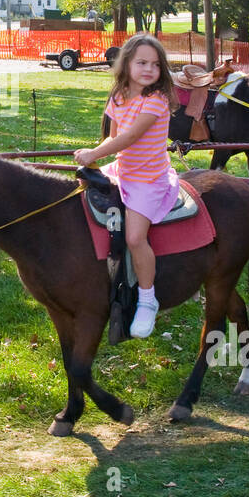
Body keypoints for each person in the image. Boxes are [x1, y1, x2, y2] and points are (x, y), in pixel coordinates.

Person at [73, 34, 181, 338]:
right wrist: (95, 154)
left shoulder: (156, 100)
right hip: (124, 170)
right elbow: (114, 137)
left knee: (135, 237)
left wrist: (95, 153)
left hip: (149, 178)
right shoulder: (118, 96)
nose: (149, 69)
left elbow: (131, 137)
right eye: (142, 62)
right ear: (127, 64)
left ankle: (148, 299)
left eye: (155, 65)